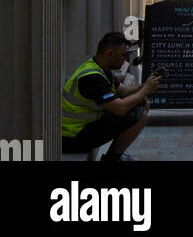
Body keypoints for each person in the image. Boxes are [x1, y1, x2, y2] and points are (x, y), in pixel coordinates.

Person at [61, 32, 163, 162]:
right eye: (123, 55)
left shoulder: (99, 67)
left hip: (82, 129)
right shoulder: (92, 78)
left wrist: (145, 85)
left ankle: (115, 156)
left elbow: (123, 90)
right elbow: (121, 108)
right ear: (110, 54)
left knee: (141, 103)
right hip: (73, 138)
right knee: (138, 111)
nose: (126, 60)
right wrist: (146, 90)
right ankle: (112, 158)